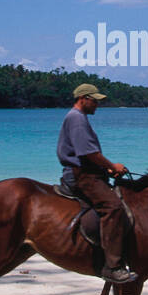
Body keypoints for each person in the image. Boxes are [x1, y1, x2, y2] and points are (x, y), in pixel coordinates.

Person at [57, 83, 137, 284]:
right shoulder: (76, 119)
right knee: (114, 207)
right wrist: (113, 166)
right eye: (95, 101)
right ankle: (112, 266)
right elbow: (88, 153)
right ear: (83, 98)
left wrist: (107, 169)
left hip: (86, 171)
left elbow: (88, 154)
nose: (97, 105)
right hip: (81, 175)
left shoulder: (78, 118)